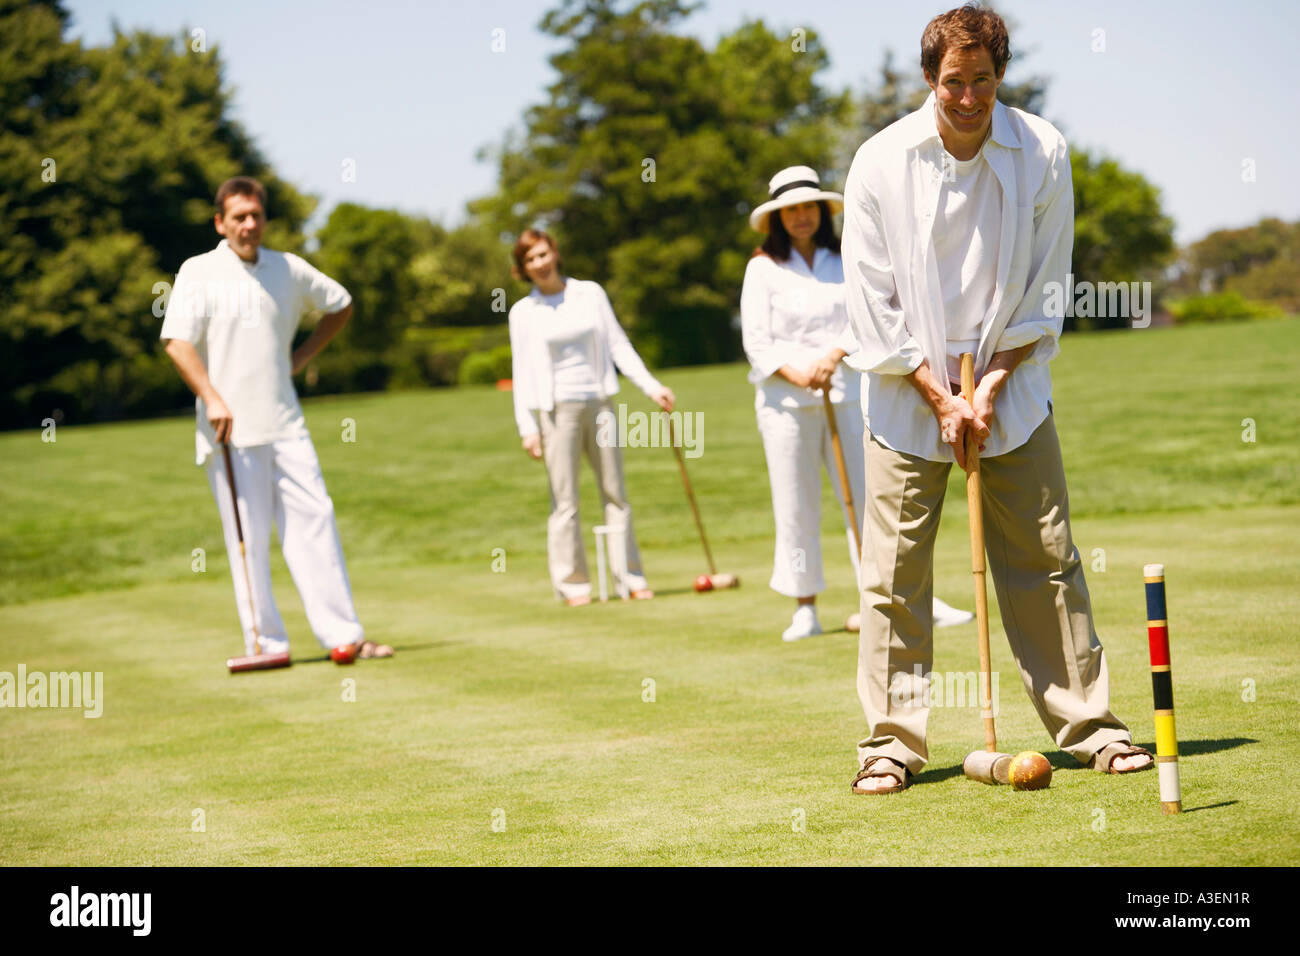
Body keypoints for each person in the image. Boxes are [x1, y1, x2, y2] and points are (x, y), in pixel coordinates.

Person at [840, 5, 1152, 793]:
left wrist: (987, 386)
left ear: (1000, 74)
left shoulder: (1042, 150)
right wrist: (940, 396)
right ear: (928, 79)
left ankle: (1089, 724)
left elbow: (1048, 288)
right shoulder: (879, 162)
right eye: (954, 81)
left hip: (1009, 391)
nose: (969, 97)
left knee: (1047, 563)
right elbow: (871, 307)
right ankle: (891, 744)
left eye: (982, 80)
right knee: (892, 578)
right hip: (905, 396)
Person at [160, 176, 391, 664]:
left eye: (256, 215)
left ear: (264, 219)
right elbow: (177, 342)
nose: (249, 224)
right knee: (249, 536)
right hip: (229, 431)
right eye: (238, 216)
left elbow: (341, 303)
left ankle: (344, 636)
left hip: (287, 422)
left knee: (317, 522)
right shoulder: (197, 271)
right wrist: (212, 397)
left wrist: (301, 357)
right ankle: (266, 643)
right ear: (220, 222)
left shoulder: (288, 268)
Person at [740, 166, 975, 642]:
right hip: (785, 405)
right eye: (791, 210)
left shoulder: (842, 258)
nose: (801, 217)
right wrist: (798, 372)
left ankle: (895, 596)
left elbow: (867, 315)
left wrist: (831, 356)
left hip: (846, 392)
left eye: (809, 207)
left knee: (872, 500)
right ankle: (805, 606)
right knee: (795, 503)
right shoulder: (762, 268)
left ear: (822, 212)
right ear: (778, 218)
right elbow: (757, 342)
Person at [507, 228, 675, 605]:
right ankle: (573, 584)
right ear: (523, 268)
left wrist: (651, 385)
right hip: (555, 411)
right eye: (531, 259)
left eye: (544, 254)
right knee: (565, 500)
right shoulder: (523, 312)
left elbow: (618, 343)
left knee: (616, 493)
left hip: (599, 402)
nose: (541, 263)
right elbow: (522, 372)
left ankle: (630, 579)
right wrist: (527, 427)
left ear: (555, 253)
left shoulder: (590, 293)